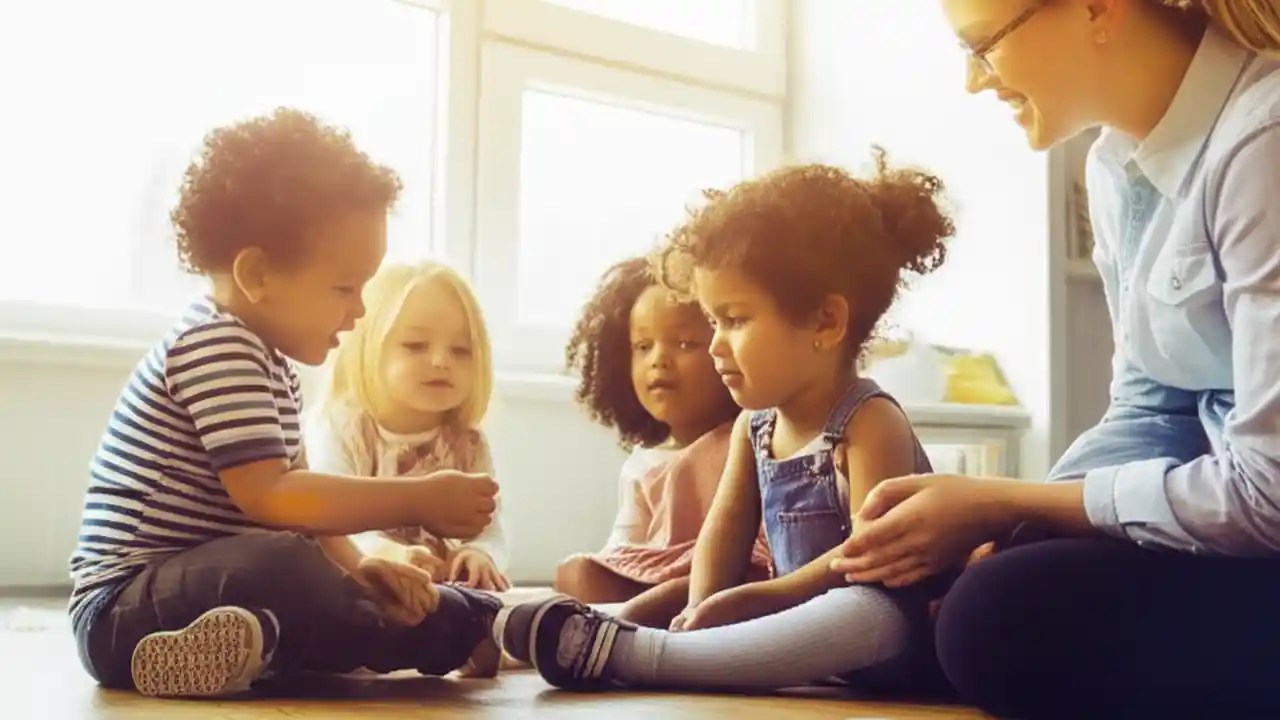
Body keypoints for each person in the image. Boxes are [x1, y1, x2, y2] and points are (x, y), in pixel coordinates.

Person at [831, 2, 1280, 717]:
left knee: (995, 618)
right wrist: (1015, 528)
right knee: (983, 588)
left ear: (1099, 9)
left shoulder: (1264, 144)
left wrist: (1008, 500)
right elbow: (1149, 407)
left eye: (984, 48)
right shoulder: (1113, 168)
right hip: (1244, 533)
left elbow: (1269, 496)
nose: (975, 82)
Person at [67, 108, 502, 698]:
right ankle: (451, 629)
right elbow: (275, 497)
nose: (359, 312)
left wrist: (359, 567)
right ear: (258, 274)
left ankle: (255, 646)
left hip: (200, 592)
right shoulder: (215, 346)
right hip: (119, 611)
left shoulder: (268, 364)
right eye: (345, 289)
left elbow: (307, 507)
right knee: (281, 567)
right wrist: (417, 499)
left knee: (333, 583)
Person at [495, 153, 959, 695]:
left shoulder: (869, 422)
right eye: (713, 321)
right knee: (676, 591)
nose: (716, 345)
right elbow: (723, 538)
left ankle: (647, 657)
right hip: (793, 629)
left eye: (734, 320)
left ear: (826, 321)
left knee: (866, 609)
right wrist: (704, 606)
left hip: (883, 637)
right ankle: (570, 631)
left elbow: (871, 560)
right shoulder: (754, 427)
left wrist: (767, 598)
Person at [553, 255, 768, 628]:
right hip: (652, 578)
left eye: (685, 344)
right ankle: (609, 627)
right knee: (575, 573)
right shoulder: (643, 463)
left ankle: (605, 630)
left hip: (723, 578)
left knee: (718, 587)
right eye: (642, 346)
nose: (659, 360)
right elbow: (623, 549)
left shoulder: (750, 434)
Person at [307, 261, 511, 592]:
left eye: (461, 350)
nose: (441, 361)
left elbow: (490, 529)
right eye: (416, 345)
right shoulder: (342, 428)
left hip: (444, 591)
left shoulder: (467, 443)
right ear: (367, 347)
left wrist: (480, 553)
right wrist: (388, 552)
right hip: (364, 584)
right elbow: (330, 526)